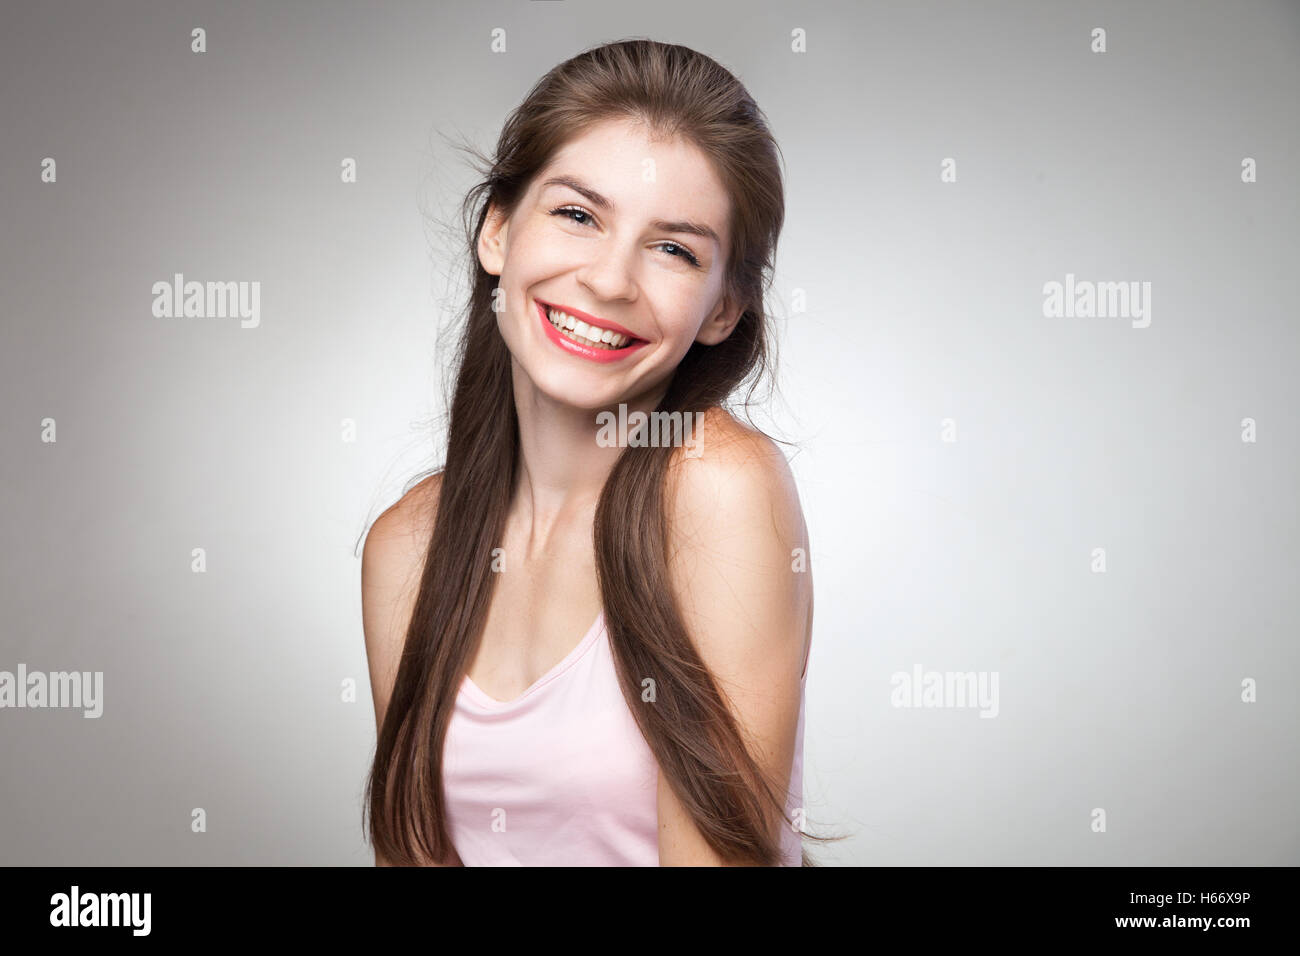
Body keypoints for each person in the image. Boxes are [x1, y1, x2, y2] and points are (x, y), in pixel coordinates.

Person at [361, 38, 819, 866]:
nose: (610, 281)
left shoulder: (717, 487)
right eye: (577, 214)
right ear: (497, 231)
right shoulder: (406, 547)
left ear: (723, 310)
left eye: (674, 249)